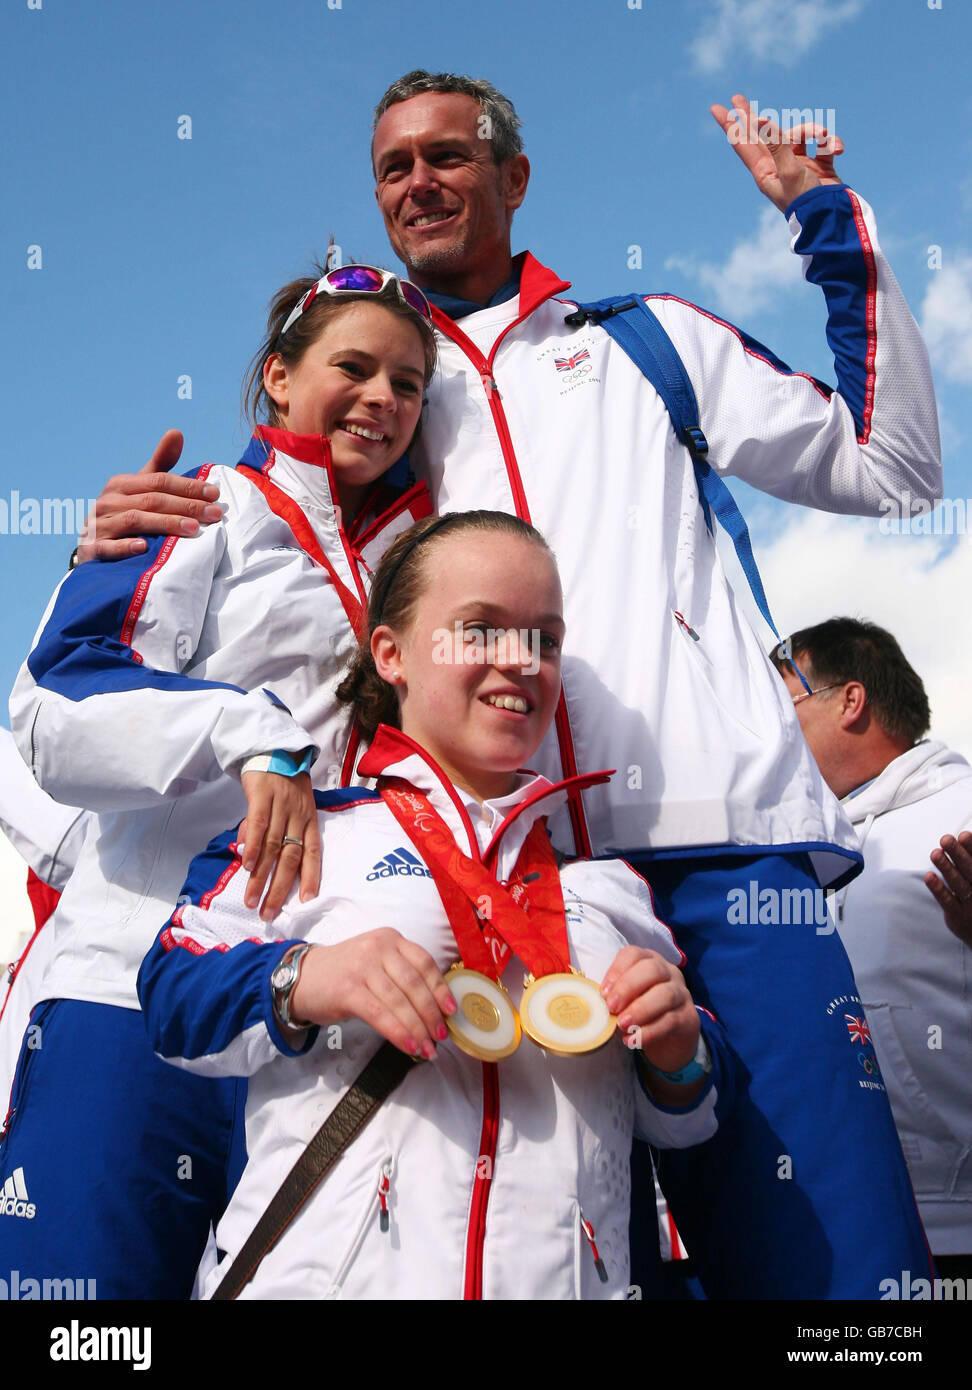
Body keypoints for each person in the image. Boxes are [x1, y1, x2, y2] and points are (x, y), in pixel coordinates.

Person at [67, 73, 938, 1297]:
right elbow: (285, 512)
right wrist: (143, 519)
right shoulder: (388, 391)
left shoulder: (646, 342)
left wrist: (827, 219)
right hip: (494, 880)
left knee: (839, 1281)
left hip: (716, 852)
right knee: (561, 1249)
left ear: (515, 177)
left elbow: (890, 465)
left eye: (448, 155)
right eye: (392, 167)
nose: (418, 181)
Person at [138, 511, 735, 1300]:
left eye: (546, 640)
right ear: (392, 654)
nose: (521, 662)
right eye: (481, 631)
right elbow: (169, 994)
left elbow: (690, 1116)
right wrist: (303, 978)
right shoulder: (309, 833)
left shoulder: (612, 891)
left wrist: (677, 1050)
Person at [2, 266, 437, 1296]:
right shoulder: (203, 508)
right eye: (355, 367)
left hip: (305, 1011)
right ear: (280, 377)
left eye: (410, 383)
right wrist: (253, 732)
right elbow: (57, 711)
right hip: (128, 984)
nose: (384, 397)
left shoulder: (423, 559)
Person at [771, 618, 972, 1278]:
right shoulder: (793, 857)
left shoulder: (964, 810)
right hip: (848, 1218)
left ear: (849, 700)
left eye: (782, 701)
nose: (768, 727)